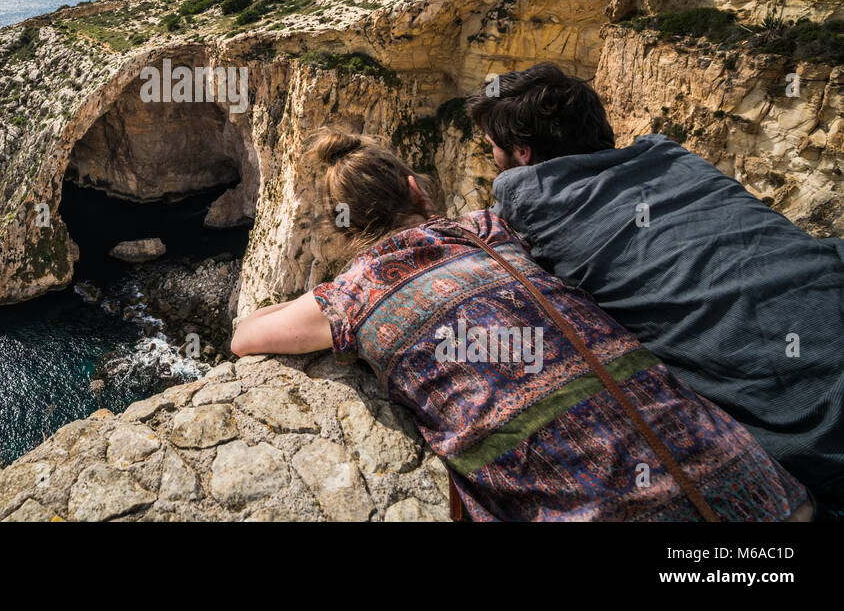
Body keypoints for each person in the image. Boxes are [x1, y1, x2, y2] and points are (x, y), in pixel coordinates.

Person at [231, 129, 811, 521]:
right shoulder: (488, 231)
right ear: (416, 189)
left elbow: (245, 336)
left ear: (344, 221)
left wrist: (323, 293)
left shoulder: (355, 294)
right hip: (764, 492)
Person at [465, 63, 844, 514]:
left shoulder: (528, 200)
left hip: (820, 438)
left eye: (492, 147)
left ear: (522, 153)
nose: (490, 157)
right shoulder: (670, 156)